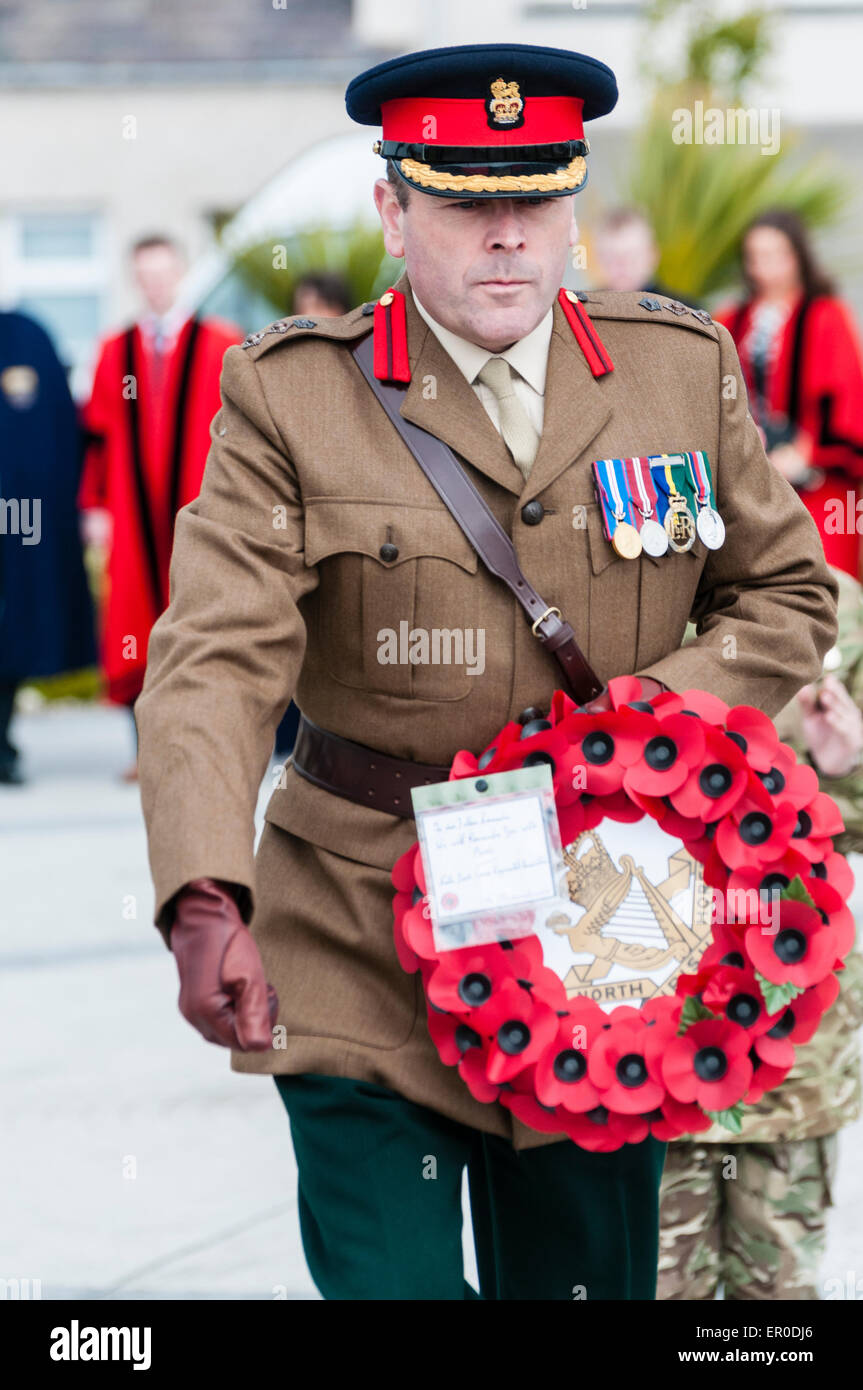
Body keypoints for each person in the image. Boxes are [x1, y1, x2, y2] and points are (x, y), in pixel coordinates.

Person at [135, 43, 838, 1301]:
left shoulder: (680, 371)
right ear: (393, 212)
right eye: (466, 203)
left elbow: (787, 591)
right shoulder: (290, 397)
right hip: (355, 939)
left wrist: (637, 733)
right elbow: (212, 656)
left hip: (603, 950)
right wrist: (202, 889)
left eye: (538, 199)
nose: (507, 236)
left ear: (570, 211)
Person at [658, 567, 863, 1300]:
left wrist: (846, 768)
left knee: (774, 1313)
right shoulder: (622, 593)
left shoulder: (833, 605)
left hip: (787, 1040)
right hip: (647, 1040)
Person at [79, 235, 241, 777]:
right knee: (135, 624)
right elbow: (98, 437)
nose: (155, 285)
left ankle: (200, 747)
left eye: (163, 274)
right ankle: (145, 748)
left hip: (203, 508)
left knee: (203, 621)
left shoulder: (222, 343)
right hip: (133, 514)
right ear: (135, 281)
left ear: (180, 274)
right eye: (144, 276)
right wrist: (96, 506)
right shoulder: (114, 351)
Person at [715, 210, 863, 580]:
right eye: (755, 256)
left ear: (797, 256)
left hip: (817, 478)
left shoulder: (826, 315)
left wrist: (805, 452)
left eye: (774, 255)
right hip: (752, 476)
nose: (763, 267)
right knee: (759, 581)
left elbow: (845, 397)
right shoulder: (731, 318)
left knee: (823, 583)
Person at [0, 309, 95, 784]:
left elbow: (60, 431)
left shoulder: (26, 337)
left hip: (19, 524)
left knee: (12, 629)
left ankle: (2, 743)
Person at [591, 207, 679, 300]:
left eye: (632, 257)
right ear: (598, 258)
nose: (622, 265)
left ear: (653, 255)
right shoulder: (582, 309)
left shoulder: (683, 310)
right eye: (611, 257)